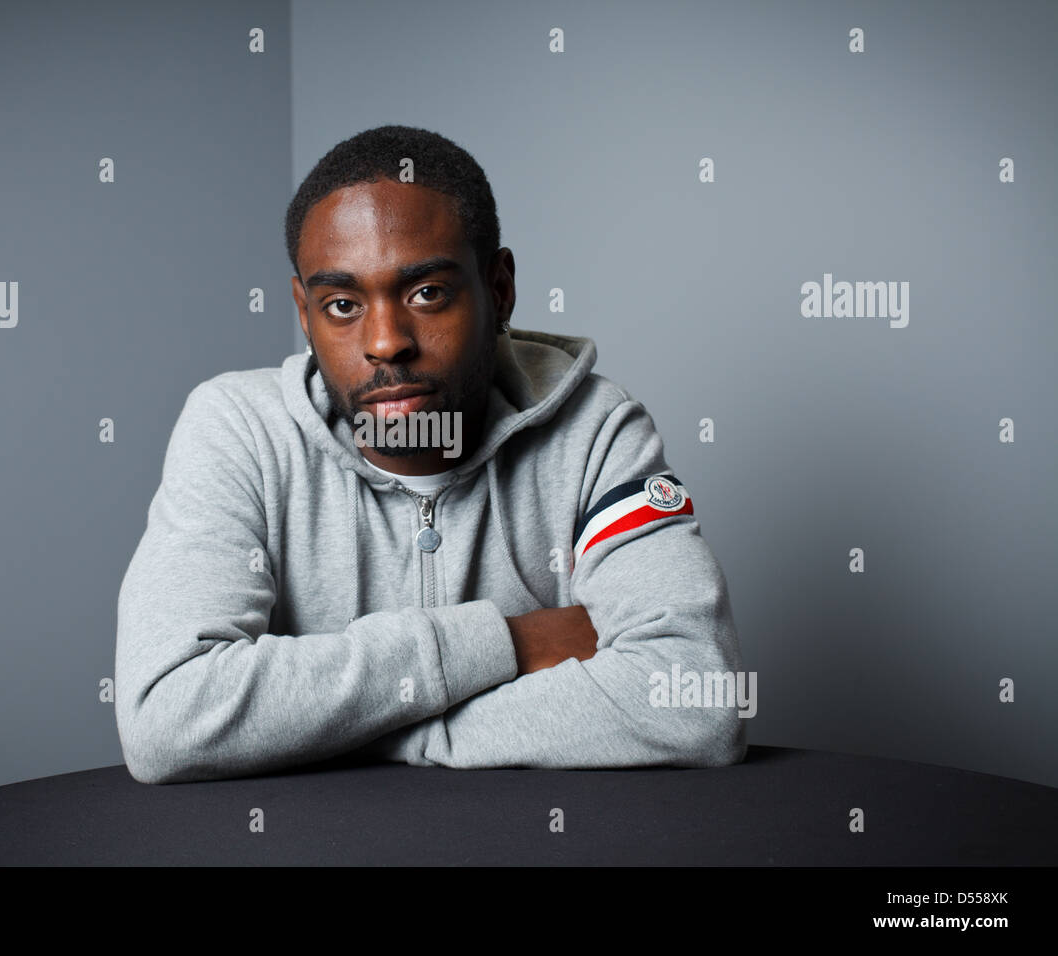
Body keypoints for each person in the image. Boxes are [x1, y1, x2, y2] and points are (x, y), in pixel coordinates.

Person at [115, 125, 747, 783]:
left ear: (498, 289)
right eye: (341, 304)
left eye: (426, 293)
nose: (386, 342)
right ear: (304, 313)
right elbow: (169, 718)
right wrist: (510, 643)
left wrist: (340, 730)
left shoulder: (595, 430)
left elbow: (698, 696)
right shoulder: (239, 429)